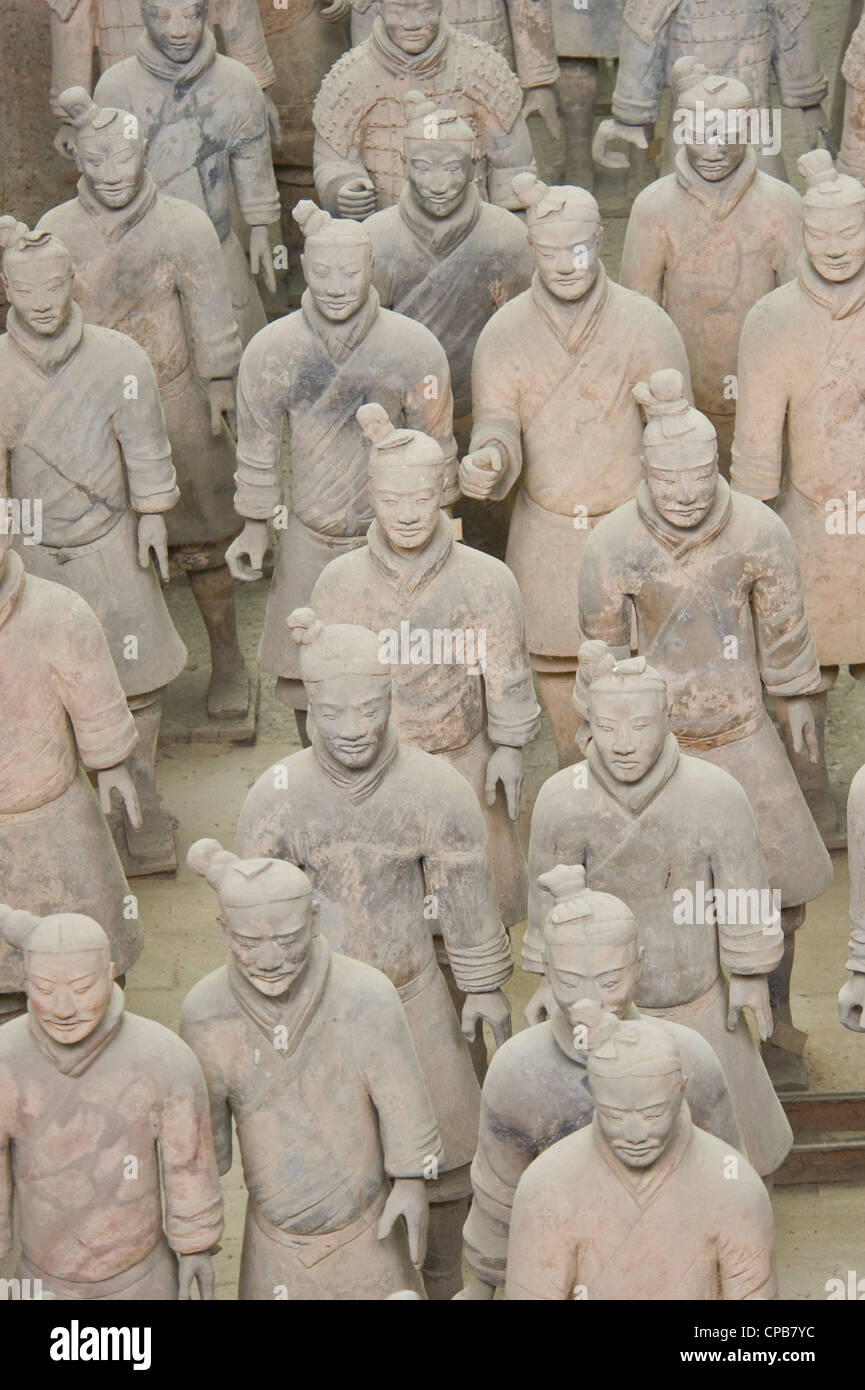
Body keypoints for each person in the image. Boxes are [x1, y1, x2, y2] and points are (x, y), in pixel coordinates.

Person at [236, 615, 513, 1298]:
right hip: (312, 1012)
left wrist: (480, 987)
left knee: (446, 1155)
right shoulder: (277, 795)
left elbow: (465, 895)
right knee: (331, 1166)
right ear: (309, 706)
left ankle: (445, 1281)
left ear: (392, 699)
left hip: (409, 993)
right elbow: (254, 920)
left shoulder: (434, 787)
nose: (353, 726)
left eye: (369, 706)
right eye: (332, 711)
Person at [580, 369, 833, 1089]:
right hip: (653, 745)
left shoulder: (757, 529)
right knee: (649, 884)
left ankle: (773, 1020)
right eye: (670, 481)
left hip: (741, 726)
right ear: (646, 474)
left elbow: (782, 627)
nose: (687, 495)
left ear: (716, 465)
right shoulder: (611, 544)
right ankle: (650, 1019)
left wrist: (795, 701)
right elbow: (601, 650)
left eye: (699, 476)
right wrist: (603, 728)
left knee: (778, 882)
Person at [459, 863, 741, 1298]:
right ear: (548, 973)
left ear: (640, 964)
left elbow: (728, 1187)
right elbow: (499, 1200)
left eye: (611, 980)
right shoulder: (518, 1069)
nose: (590, 1000)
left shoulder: (692, 1058)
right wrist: (482, 1286)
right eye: (570, 981)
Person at [182, 841, 442, 1299]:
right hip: (273, 1238)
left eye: (286, 939)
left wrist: (411, 1180)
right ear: (223, 930)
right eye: (247, 942)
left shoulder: (365, 994)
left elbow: (403, 1099)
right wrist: (194, 1239)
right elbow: (202, 1149)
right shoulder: (206, 1011)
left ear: (314, 921)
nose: (268, 960)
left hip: (368, 1226)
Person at [0, 906, 223, 1299]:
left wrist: (196, 1245)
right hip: (40, 1283)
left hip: (142, 1279)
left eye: (83, 988)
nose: (64, 1009)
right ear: (25, 980)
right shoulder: (5, 1059)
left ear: (110, 972)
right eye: (45, 989)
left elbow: (187, 1163)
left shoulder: (162, 1056)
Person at [505, 1016, 778, 1300]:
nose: (635, 1135)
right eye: (615, 1115)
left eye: (653, 1115)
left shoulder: (734, 1187)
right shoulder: (547, 1184)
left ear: (681, 1091)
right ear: (592, 1093)